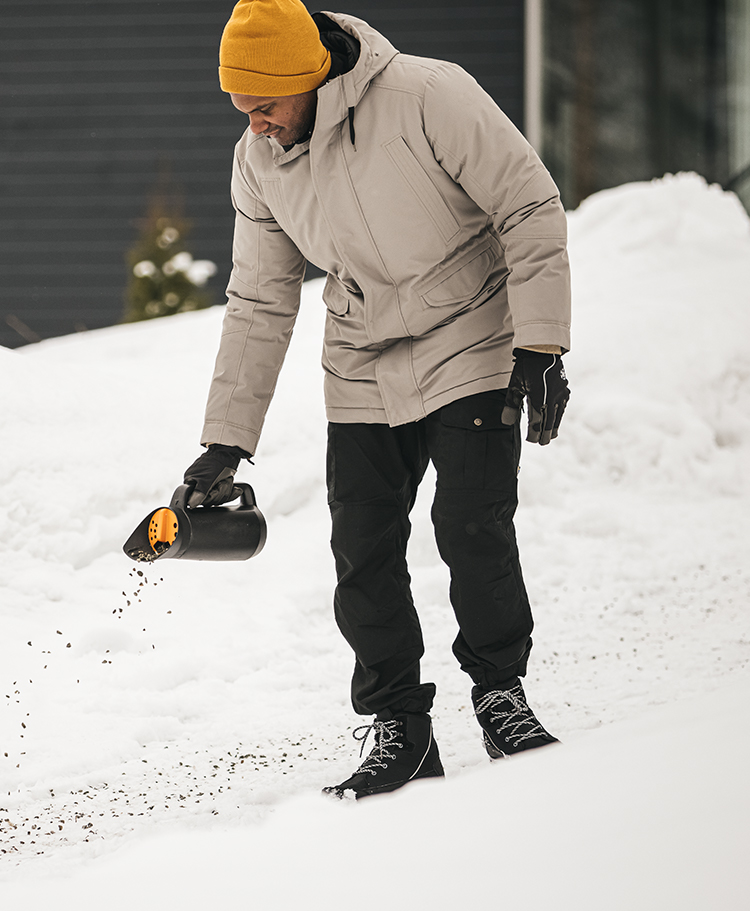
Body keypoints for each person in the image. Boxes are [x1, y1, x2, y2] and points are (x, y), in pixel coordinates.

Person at [184, 0, 572, 799]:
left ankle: (502, 695)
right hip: (361, 353)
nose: (254, 126)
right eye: (240, 110)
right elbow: (260, 298)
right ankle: (401, 725)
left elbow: (527, 203)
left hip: (470, 331)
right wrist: (227, 440)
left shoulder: (429, 96)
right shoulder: (258, 162)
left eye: (264, 107)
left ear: (309, 77)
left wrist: (539, 343)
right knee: (363, 550)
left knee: (470, 525)